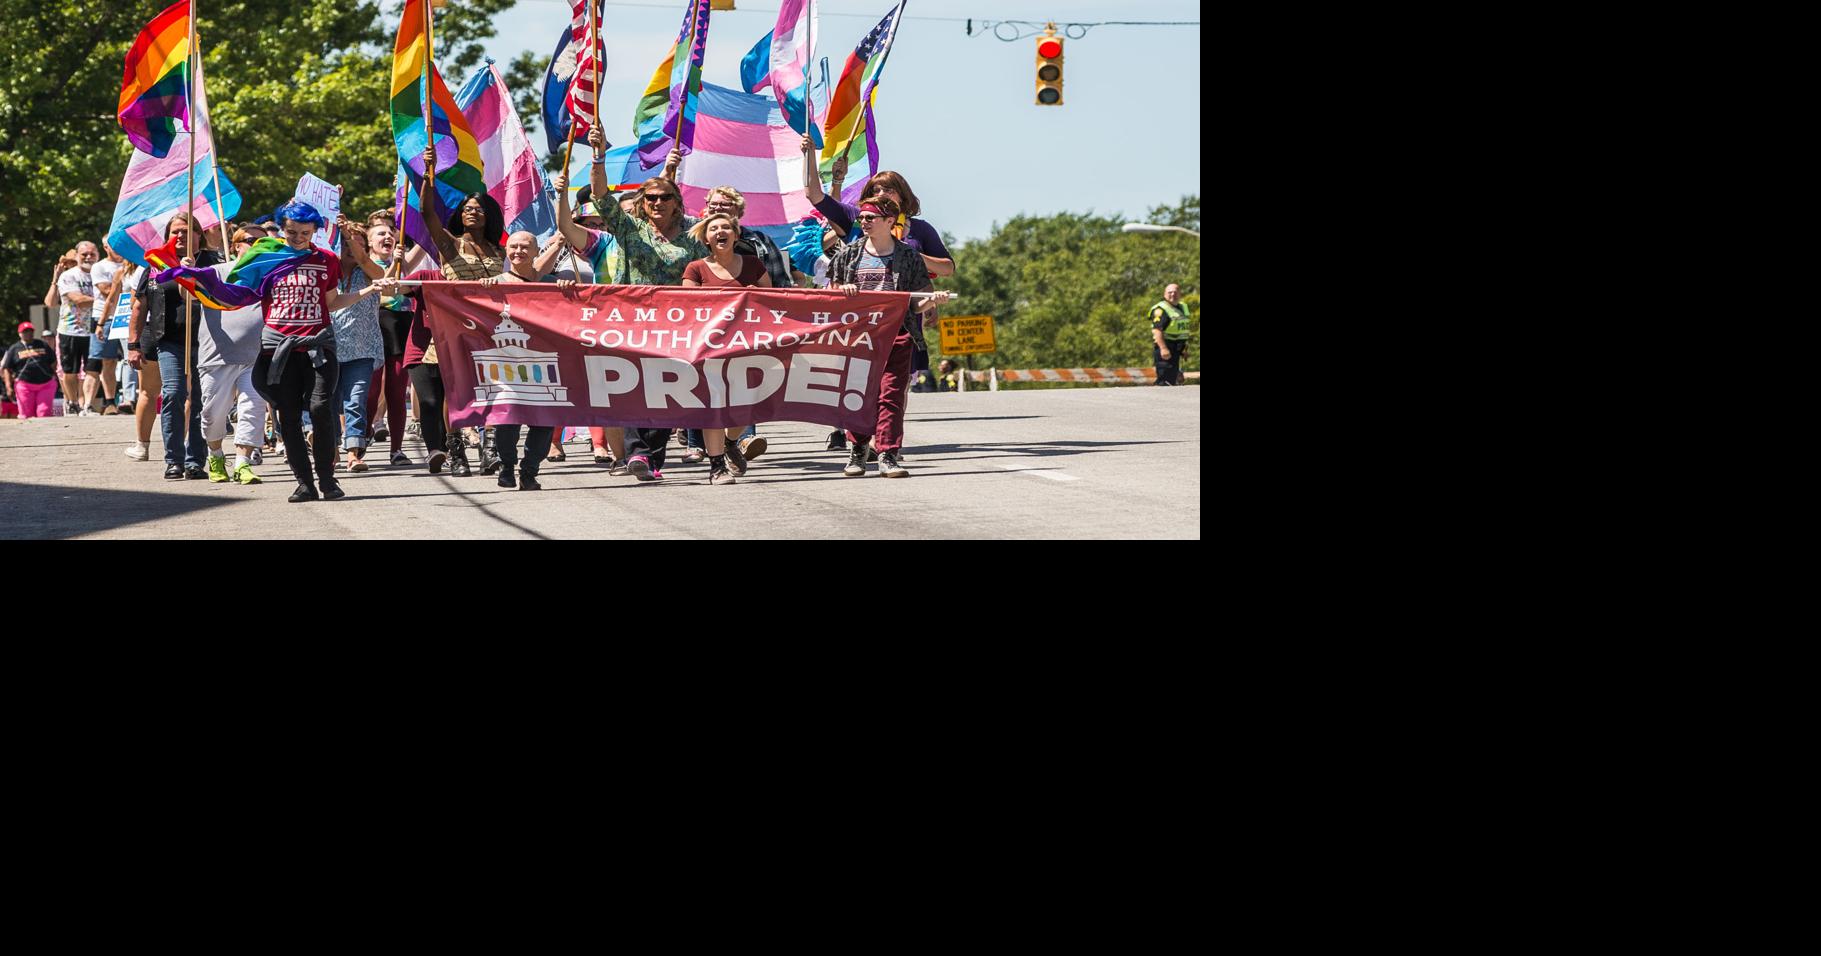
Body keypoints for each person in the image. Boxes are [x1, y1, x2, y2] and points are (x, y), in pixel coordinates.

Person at [555, 162, 707, 481]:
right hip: (630, 320)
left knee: (668, 394)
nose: (657, 203)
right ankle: (637, 452)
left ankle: (651, 458)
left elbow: (702, 274)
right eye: (650, 198)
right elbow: (599, 193)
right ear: (642, 202)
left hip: (675, 324)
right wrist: (598, 156)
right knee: (632, 390)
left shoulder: (693, 236)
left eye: (664, 197)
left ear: (676, 202)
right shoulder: (628, 228)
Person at [248, 200, 396, 503]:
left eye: (305, 232)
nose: (298, 238)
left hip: (319, 346)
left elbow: (331, 303)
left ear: (315, 231)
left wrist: (368, 291)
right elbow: (237, 289)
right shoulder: (266, 258)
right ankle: (304, 483)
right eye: (291, 232)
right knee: (288, 416)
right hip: (280, 350)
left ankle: (328, 480)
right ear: (282, 230)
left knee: (320, 409)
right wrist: (197, 276)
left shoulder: (326, 259)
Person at [829, 197, 939, 478]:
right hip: (857, 337)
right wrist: (844, 291)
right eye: (861, 218)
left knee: (891, 395)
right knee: (859, 395)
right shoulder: (848, 255)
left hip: (897, 335)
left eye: (870, 218)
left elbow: (917, 303)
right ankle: (858, 450)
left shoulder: (909, 256)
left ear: (890, 222)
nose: (863, 223)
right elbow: (830, 296)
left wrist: (931, 301)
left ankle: (888, 454)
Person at [475, 230, 577, 490]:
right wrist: (483, 292)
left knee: (543, 422)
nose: (518, 251)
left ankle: (530, 470)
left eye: (524, 247)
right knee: (507, 420)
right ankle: (506, 468)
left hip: (541, 365)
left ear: (535, 252)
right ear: (506, 251)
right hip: (505, 366)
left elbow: (573, 310)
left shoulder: (551, 283)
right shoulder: (493, 283)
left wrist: (566, 289)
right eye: (513, 246)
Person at [679, 212, 773, 485]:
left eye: (726, 228)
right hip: (710, 348)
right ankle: (716, 466)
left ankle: (732, 442)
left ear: (736, 234)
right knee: (714, 407)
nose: (720, 232)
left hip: (749, 346)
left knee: (749, 404)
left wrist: (758, 295)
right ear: (706, 238)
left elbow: (774, 302)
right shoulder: (695, 268)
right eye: (714, 229)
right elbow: (685, 305)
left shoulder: (754, 265)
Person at [128, 215, 220, 479]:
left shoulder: (214, 263)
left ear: (199, 235)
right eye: (174, 232)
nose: (180, 236)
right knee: (173, 393)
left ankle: (195, 461)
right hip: (168, 340)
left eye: (186, 231)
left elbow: (228, 296)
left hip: (207, 341)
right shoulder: (155, 264)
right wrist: (133, 344)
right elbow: (140, 306)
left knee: (202, 400)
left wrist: (194, 273)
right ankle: (174, 460)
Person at [195, 250, 268, 485]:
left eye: (260, 242)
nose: (255, 246)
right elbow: (186, 289)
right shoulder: (215, 272)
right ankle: (215, 454)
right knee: (213, 414)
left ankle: (242, 464)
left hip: (255, 356)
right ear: (236, 246)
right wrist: (188, 270)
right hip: (216, 357)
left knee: (253, 409)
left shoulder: (268, 275)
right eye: (248, 241)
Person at [326, 217, 386, 473]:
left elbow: (365, 262)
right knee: (328, 402)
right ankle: (331, 451)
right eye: (345, 244)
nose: (350, 249)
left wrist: (348, 235)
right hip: (329, 347)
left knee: (355, 401)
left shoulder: (373, 273)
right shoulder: (327, 272)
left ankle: (354, 454)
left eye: (357, 244)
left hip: (363, 350)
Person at [56, 241, 99, 415]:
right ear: (77, 255)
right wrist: (107, 299)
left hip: (95, 329)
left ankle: (87, 405)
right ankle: (73, 402)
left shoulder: (100, 273)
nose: (88, 257)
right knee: (70, 370)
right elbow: (78, 300)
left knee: (94, 368)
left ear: (98, 255)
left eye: (92, 254)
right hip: (70, 329)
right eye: (84, 254)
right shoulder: (69, 276)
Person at [84, 242, 126, 414]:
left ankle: (117, 401)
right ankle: (89, 404)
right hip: (104, 317)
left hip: (126, 316)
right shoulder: (99, 266)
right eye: (112, 245)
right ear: (106, 248)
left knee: (120, 361)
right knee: (98, 361)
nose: (117, 248)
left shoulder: (130, 263)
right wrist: (124, 284)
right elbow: (106, 290)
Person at [3, 322, 59, 419]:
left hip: (45, 384)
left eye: (30, 331)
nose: (28, 333)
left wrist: (53, 374)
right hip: (24, 386)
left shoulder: (42, 344)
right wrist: (8, 386)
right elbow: (7, 368)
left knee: (44, 412)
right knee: (26, 415)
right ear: (19, 333)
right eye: (25, 331)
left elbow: (53, 361)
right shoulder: (14, 348)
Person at [1150, 283, 1192, 386]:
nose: (1173, 294)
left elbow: (1182, 329)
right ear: (1164, 294)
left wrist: (1184, 350)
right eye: (1170, 292)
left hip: (1177, 349)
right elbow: (1157, 331)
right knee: (1165, 381)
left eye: (1175, 292)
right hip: (1166, 349)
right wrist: (1163, 348)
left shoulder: (1182, 307)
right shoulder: (1161, 309)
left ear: (1180, 294)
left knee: (1173, 380)